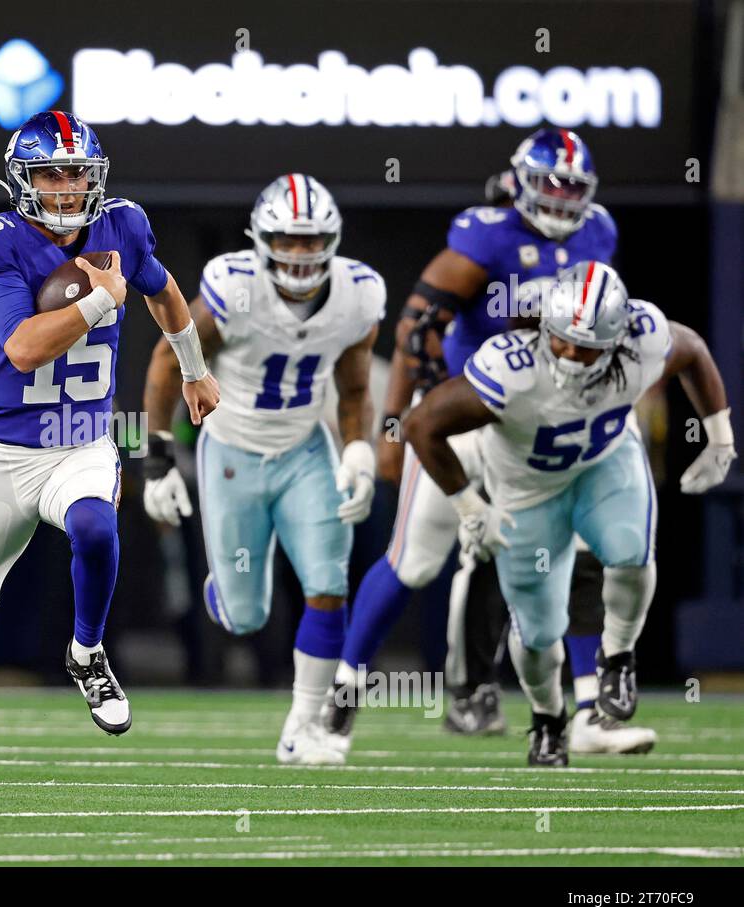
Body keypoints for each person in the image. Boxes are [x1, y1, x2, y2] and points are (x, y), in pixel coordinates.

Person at [0, 110, 220, 793]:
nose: (65, 187)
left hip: (82, 441)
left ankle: (87, 651)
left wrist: (192, 365)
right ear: (21, 180)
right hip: (4, 452)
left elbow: (163, 288)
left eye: (75, 172)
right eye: (49, 173)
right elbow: (25, 347)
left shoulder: (124, 224)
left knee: (96, 526)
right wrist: (99, 302)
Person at [327, 127, 655, 756]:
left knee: (581, 551)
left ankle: (588, 710)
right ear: (518, 184)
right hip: (468, 412)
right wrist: (394, 426)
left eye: (571, 188)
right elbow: (417, 329)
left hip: (545, 418)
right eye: (548, 185)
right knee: (416, 560)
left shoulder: (599, 234)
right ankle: (340, 695)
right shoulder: (487, 237)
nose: (560, 200)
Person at [404, 261, 735, 764]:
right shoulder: (512, 369)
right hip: (528, 490)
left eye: (588, 345)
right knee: (536, 635)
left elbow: (692, 349)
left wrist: (720, 435)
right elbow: (421, 425)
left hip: (603, 464)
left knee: (630, 551)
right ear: (545, 327)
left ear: (618, 338)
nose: (574, 355)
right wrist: (470, 505)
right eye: (562, 340)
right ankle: (547, 718)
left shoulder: (642, 338)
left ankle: (618, 657)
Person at [141, 174, 382, 765]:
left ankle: (303, 727)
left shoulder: (358, 294)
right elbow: (167, 361)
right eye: (287, 239)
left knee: (328, 584)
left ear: (332, 240)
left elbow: (353, 388)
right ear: (261, 238)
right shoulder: (236, 287)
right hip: (231, 451)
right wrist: (155, 460)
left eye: (311, 240)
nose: (300, 253)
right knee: (246, 616)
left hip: (305, 449)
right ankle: (227, 589)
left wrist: (357, 448)